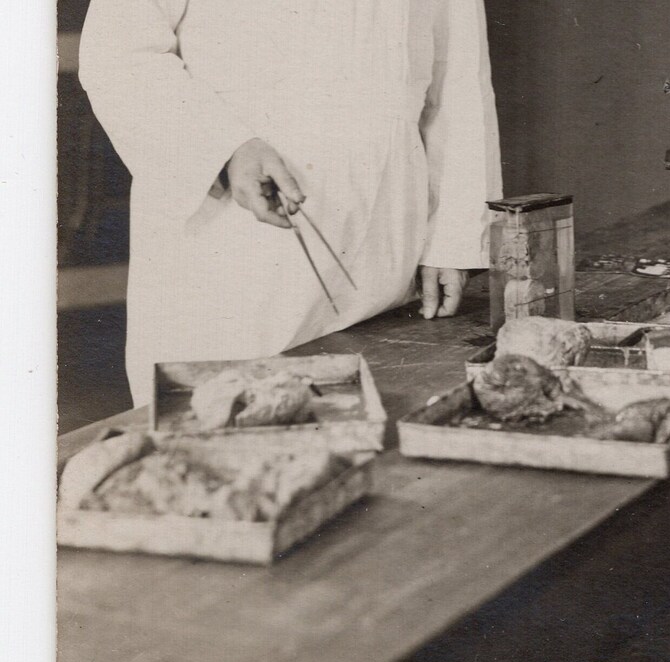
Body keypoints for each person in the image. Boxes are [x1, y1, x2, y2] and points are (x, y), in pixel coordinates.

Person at [79, 0, 502, 406]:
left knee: (381, 440)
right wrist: (227, 149)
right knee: (233, 440)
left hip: (386, 251)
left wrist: (453, 235)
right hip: (238, 246)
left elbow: (459, 77)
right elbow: (119, 56)